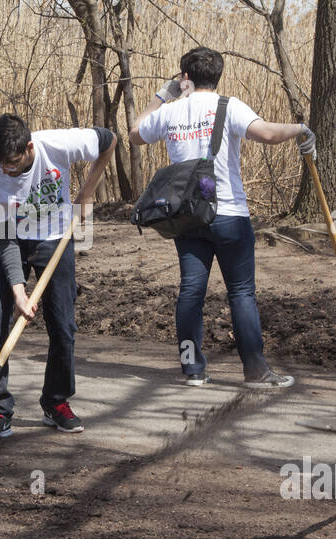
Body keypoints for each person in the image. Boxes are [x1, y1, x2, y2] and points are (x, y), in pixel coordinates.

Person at [129, 46, 314, 388]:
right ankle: (256, 371)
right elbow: (269, 134)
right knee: (241, 292)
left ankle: (192, 369)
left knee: (190, 292)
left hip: (188, 218)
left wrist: (161, 95)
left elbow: (134, 133)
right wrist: (300, 129)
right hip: (229, 213)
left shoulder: (171, 111)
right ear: (217, 75)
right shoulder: (229, 106)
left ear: (184, 77)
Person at [0, 113, 117, 443]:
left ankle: (56, 401)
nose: (5, 170)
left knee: (63, 325)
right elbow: (4, 238)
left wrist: (88, 192)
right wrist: (19, 291)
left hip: (55, 236)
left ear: (28, 148)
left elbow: (109, 140)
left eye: (11, 162)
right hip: (9, 237)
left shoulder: (59, 145)